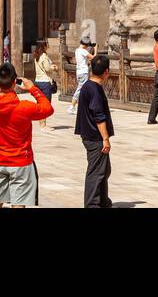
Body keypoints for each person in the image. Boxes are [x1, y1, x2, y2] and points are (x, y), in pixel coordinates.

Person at [0, 62, 53, 208]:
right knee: (19, 204)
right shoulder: (24, 107)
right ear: (15, 82)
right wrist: (33, 89)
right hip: (21, 161)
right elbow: (48, 109)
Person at [75, 53, 114, 208]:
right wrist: (105, 138)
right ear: (106, 72)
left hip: (89, 134)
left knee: (104, 170)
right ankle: (92, 204)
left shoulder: (88, 85)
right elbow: (98, 116)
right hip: (95, 137)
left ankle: (103, 201)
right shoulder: (95, 89)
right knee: (96, 172)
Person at [32, 42, 56, 129]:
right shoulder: (44, 57)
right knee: (45, 104)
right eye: (47, 44)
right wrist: (54, 68)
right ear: (44, 46)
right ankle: (43, 125)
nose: (49, 45)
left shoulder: (37, 56)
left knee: (40, 103)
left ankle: (41, 124)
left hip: (38, 81)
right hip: (45, 82)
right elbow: (47, 68)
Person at [69, 35, 93, 115]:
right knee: (80, 89)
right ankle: (71, 106)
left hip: (79, 72)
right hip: (83, 72)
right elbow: (93, 57)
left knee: (84, 89)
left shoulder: (77, 50)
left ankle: (84, 107)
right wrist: (96, 49)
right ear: (86, 45)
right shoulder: (83, 51)